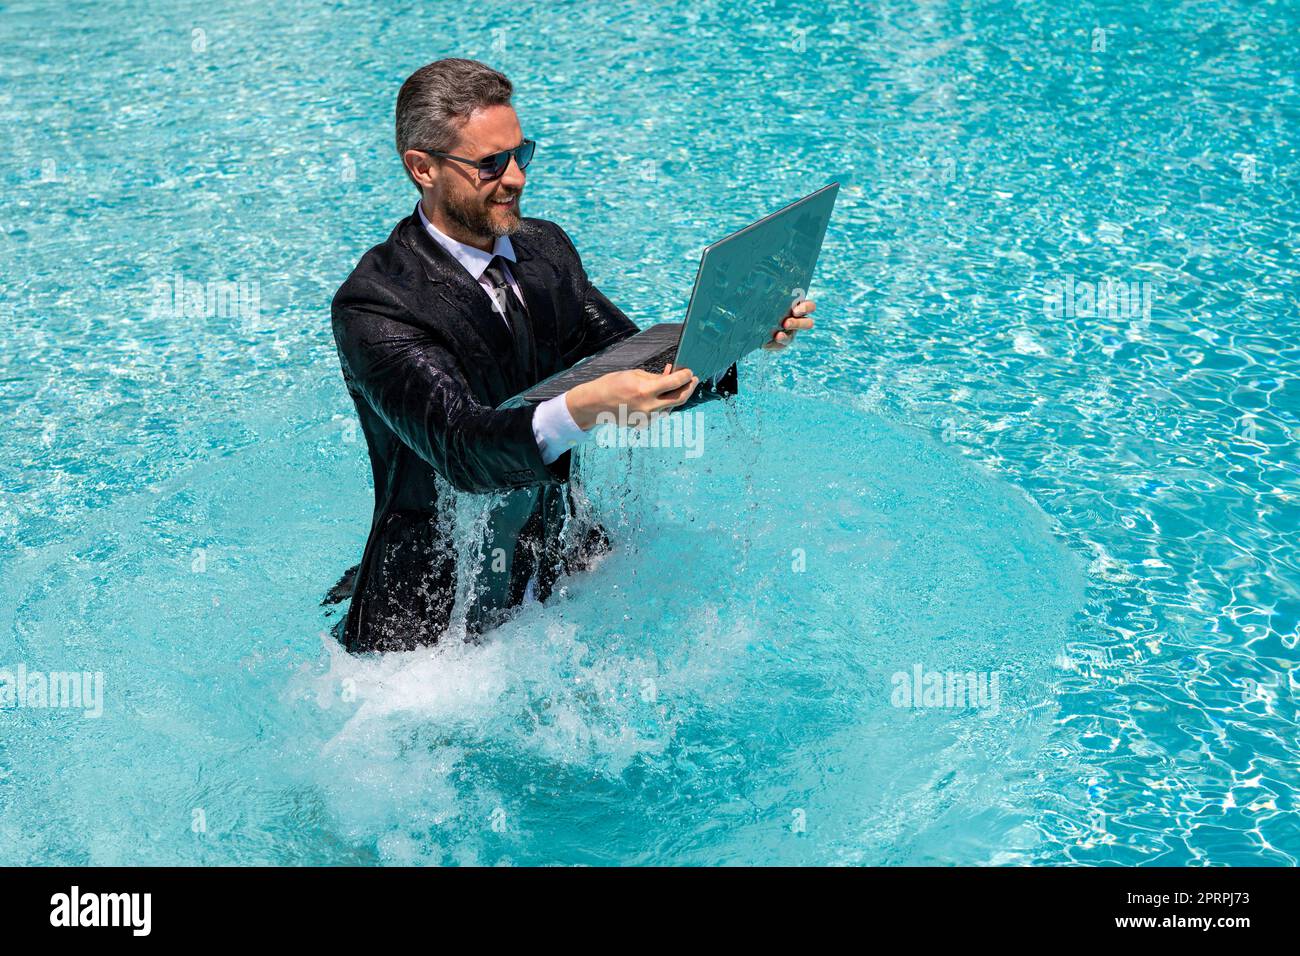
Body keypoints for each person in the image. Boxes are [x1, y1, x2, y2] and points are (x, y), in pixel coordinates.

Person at [327, 58, 817, 653]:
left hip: (558, 557)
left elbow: (632, 363)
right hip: (428, 616)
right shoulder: (376, 305)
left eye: (520, 154)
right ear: (422, 168)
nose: (515, 179)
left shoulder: (545, 251)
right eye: (489, 164)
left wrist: (738, 334)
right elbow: (460, 448)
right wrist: (581, 410)